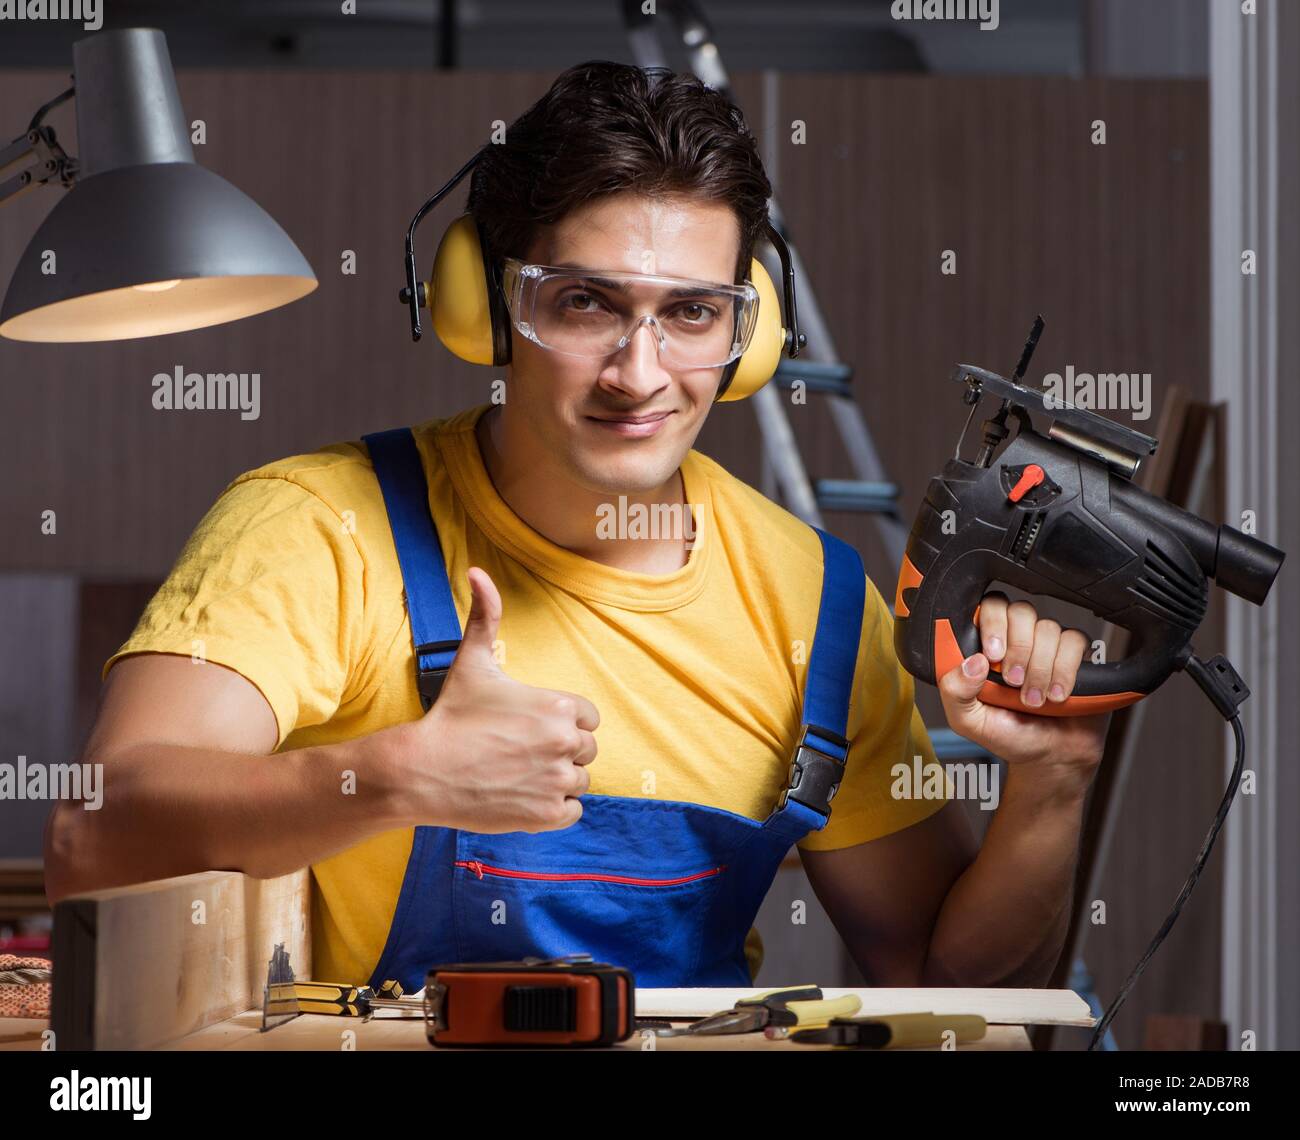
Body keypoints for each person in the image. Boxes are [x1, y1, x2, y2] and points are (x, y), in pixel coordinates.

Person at [44, 61, 1108, 992]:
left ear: (750, 338)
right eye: (585, 303)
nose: (639, 375)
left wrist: (1052, 781)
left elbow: (935, 978)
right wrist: (396, 776)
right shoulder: (318, 527)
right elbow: (90, 835)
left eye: (692, 313)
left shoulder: (813, 600)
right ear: (481, 306)